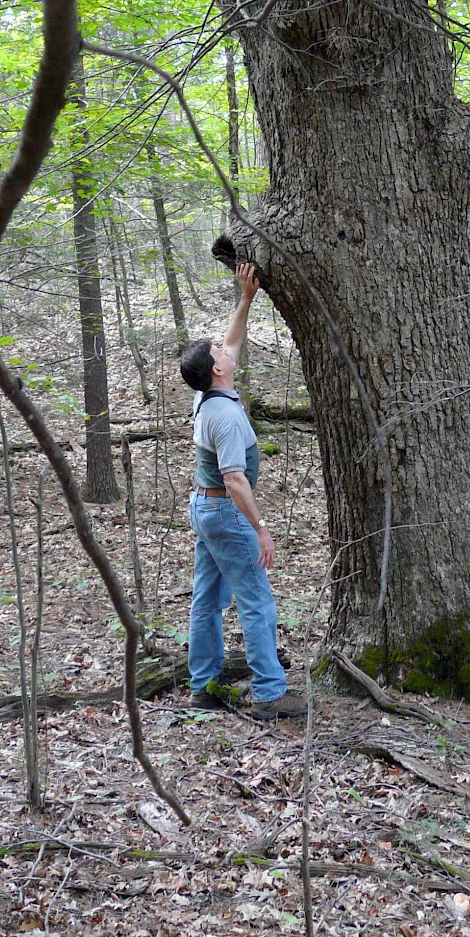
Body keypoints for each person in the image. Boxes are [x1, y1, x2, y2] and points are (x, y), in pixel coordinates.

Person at [178, 261, 307, 720]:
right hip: (226, 514)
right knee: (256, 601)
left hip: (203, 510)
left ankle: (205, 687)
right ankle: (271, 694)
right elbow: (234, 480)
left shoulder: (206, 394)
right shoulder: (227, 418)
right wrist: (262, 527)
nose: (225, 347)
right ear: (217, 369)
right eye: (218, 350)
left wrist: (246, 298)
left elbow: (230, 341)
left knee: (207, 601)